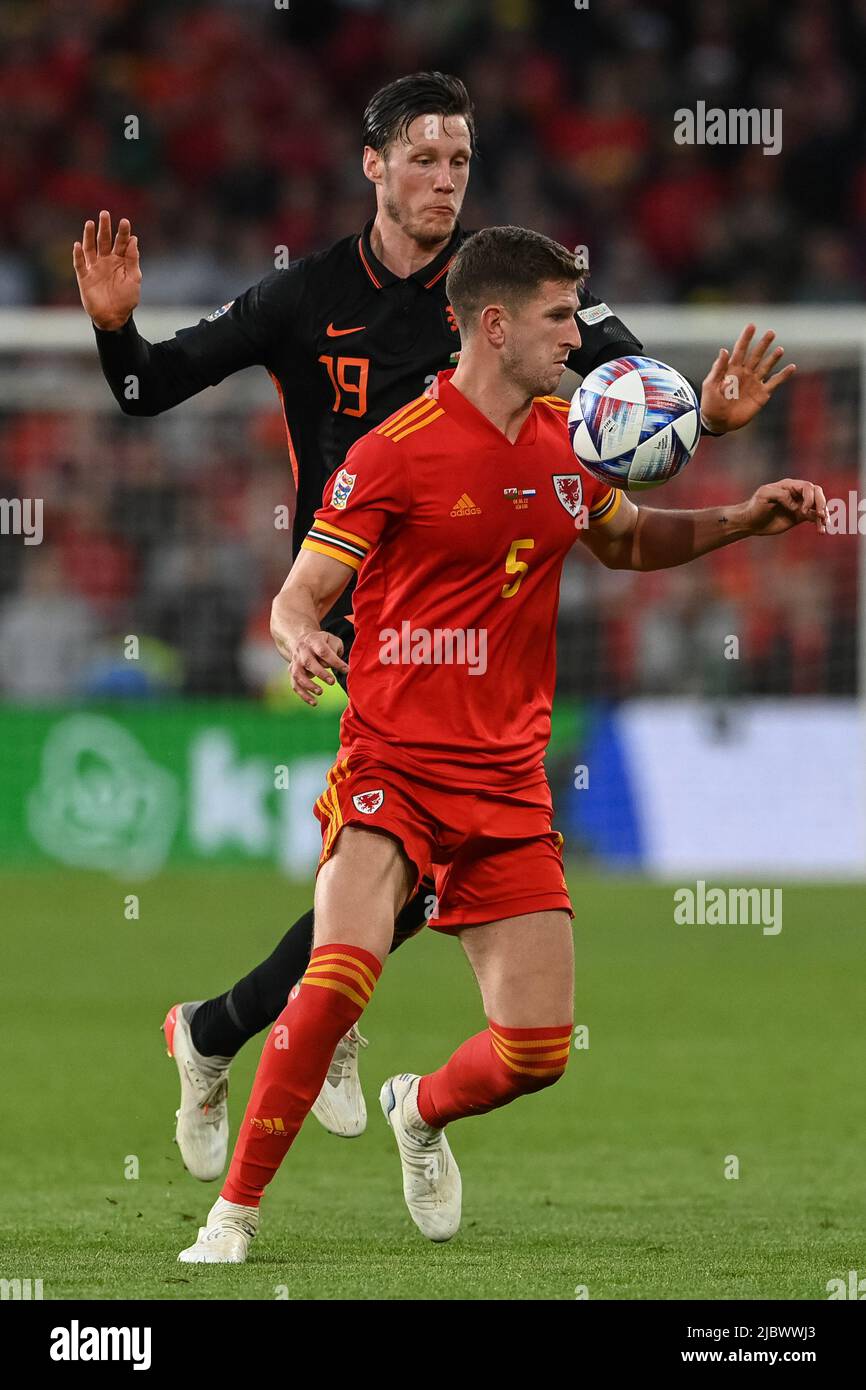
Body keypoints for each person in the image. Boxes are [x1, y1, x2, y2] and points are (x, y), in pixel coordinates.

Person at [73, 71, 795, 1180]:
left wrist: (700, 416)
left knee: (397, 884)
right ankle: (263, 1028)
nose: (443, 179)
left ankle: (221, 1028)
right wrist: (118, 330)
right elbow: (145, 391)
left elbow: (630, 415)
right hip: (363, 616)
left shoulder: (510, 294)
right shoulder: (305, 295)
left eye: (458, 160)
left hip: (486, 615)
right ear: (372, 165)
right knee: (399, 872)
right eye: (422, 157)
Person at [176, 225, 826, 1261]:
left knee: (535, 1051)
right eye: (558, 318)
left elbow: (624, 540)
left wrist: (742, 516)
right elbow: (298, 596)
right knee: (338, 972)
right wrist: (300, 641)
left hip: (508, 785)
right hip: (391, 765)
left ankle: (418, 1111)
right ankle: (232, 1217)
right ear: (493, 326)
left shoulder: (569, 437)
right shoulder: (392, 451)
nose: (578, 335)